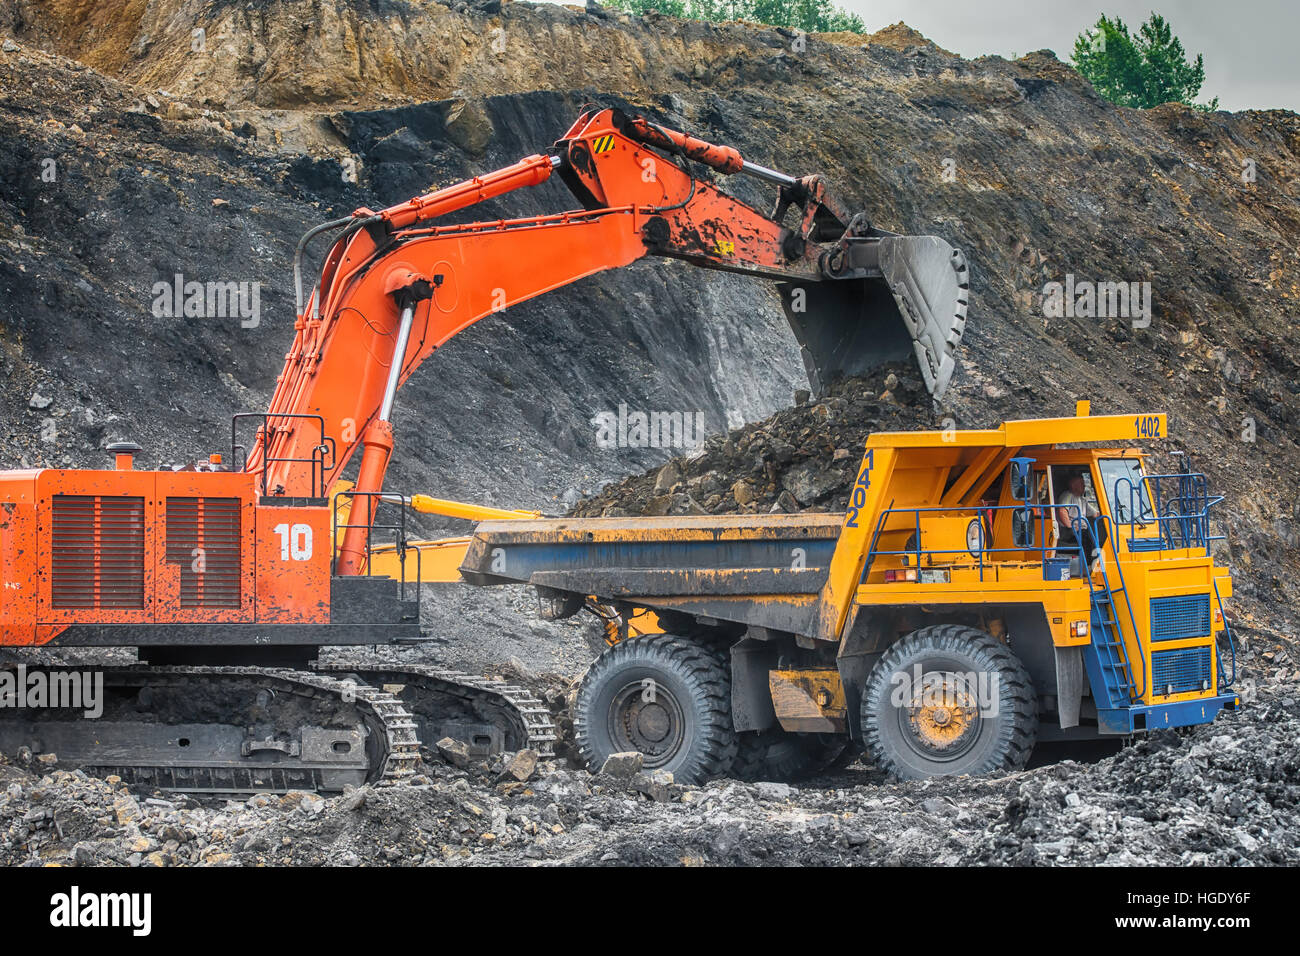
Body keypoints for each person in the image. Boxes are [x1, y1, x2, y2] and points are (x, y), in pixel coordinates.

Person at [1057, 470, 1106, 567]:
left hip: (1081, 529)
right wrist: (1070, 527)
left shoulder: (1082, 500)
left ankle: (1092, 563)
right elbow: (1062, 510)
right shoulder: (1068, 495)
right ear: (1074, 485)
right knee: (1086, 539)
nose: (1084, 486)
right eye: (1081, 484)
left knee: (1093, 537)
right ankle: (1088, 565)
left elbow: (1095, 514)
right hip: (1068, 531)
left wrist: (1107, 513)